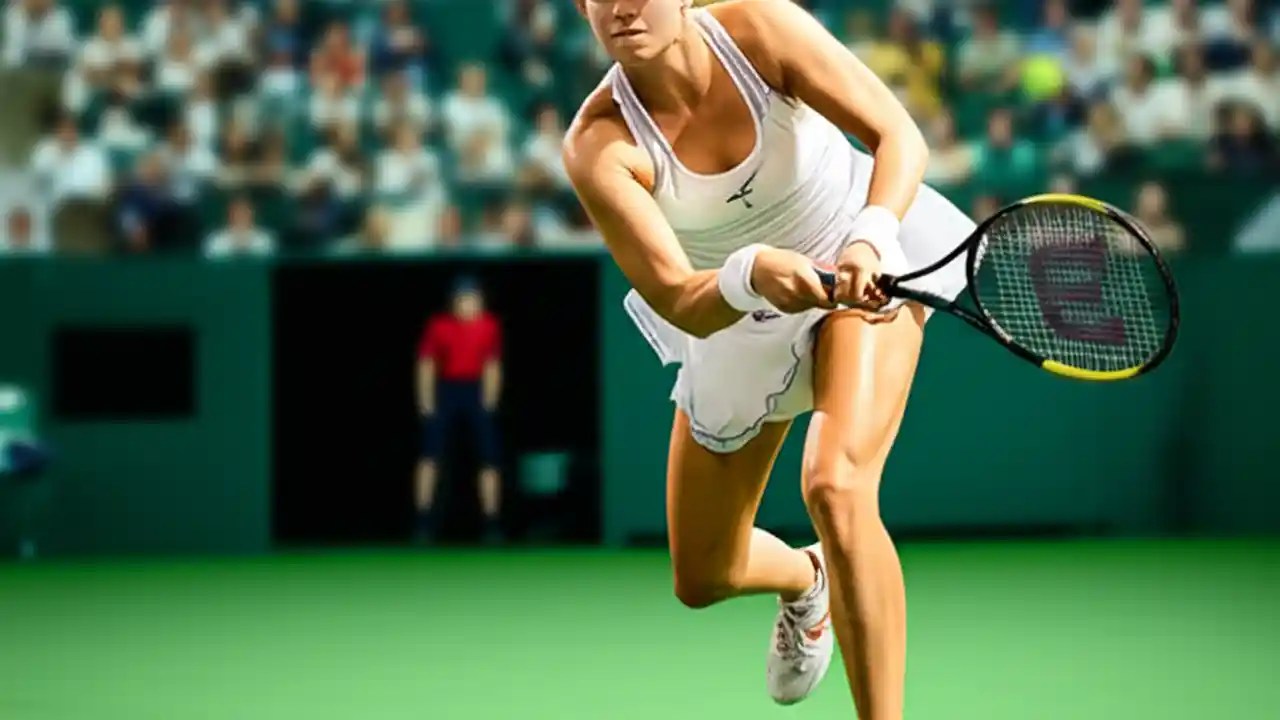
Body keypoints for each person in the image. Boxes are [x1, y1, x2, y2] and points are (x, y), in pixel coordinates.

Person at [562, 0, 977, 717]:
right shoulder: (598, 144)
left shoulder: (760, 28)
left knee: (836, 489)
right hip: (735, 315)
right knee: (702, 574)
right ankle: (806, 577)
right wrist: (751, 274)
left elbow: (895, 135)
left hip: (862, 263)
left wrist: (870, 237)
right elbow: (675, 295)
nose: (623, 6)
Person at [414, 278, 503, 544]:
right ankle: (422, 522)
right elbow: (426, 364)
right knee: (430, 456)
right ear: (454, 303)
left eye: (473, 299)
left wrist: (489, 401)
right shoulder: (438, 326)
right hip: (446, 391)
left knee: (488, 459)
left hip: (475, 392)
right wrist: (426, 400)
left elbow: (492, 364)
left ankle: (492, 523)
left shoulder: (489, 325)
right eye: (463, 299)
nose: (469, 305)